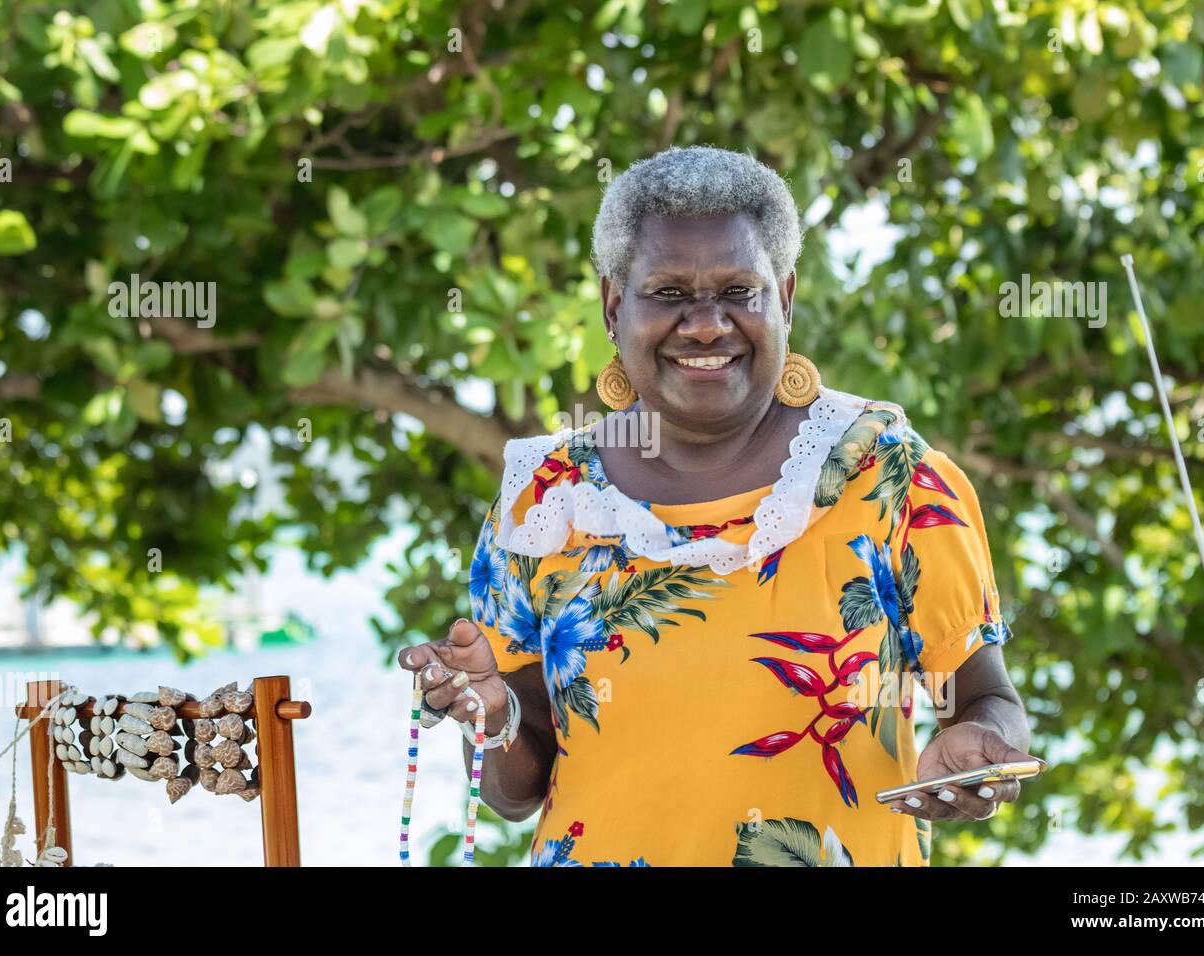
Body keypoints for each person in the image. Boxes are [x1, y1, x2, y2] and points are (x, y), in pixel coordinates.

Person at [398, 145, 1041, 866]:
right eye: (669, 294)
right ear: (614, 305)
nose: (706, 324)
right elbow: (516, 792)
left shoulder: (891, 477)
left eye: (740, 291)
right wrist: (492, 716)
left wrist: (981, 747)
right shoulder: (545, 499)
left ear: (786, 297)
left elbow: (985, 696)